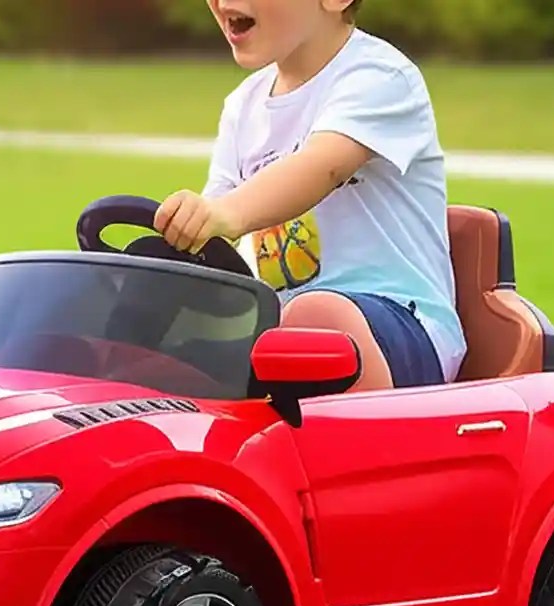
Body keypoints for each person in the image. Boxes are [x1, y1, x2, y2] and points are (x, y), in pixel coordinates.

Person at [152, 0, 466, 391]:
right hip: (286, 335)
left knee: (316, 319)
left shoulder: (379, 76)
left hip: (402, 324)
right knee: (164, 356)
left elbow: (322, 166)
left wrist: (225, 213)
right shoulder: (243, 105)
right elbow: (214, 223)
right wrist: (178, 243)